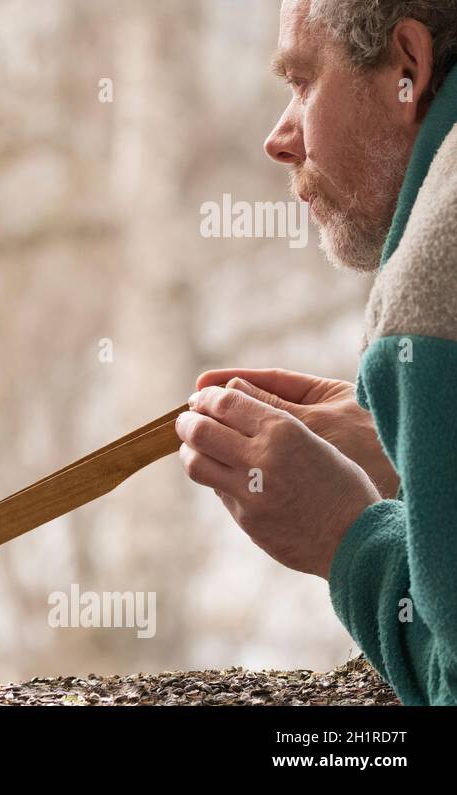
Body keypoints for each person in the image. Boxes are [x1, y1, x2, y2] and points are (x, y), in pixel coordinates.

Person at [175, 0, 457, 705]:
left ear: (407, 67)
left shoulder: (430, 293)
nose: (279, 138)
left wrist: (346, 537)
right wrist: (405, 452)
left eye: (302, 81)